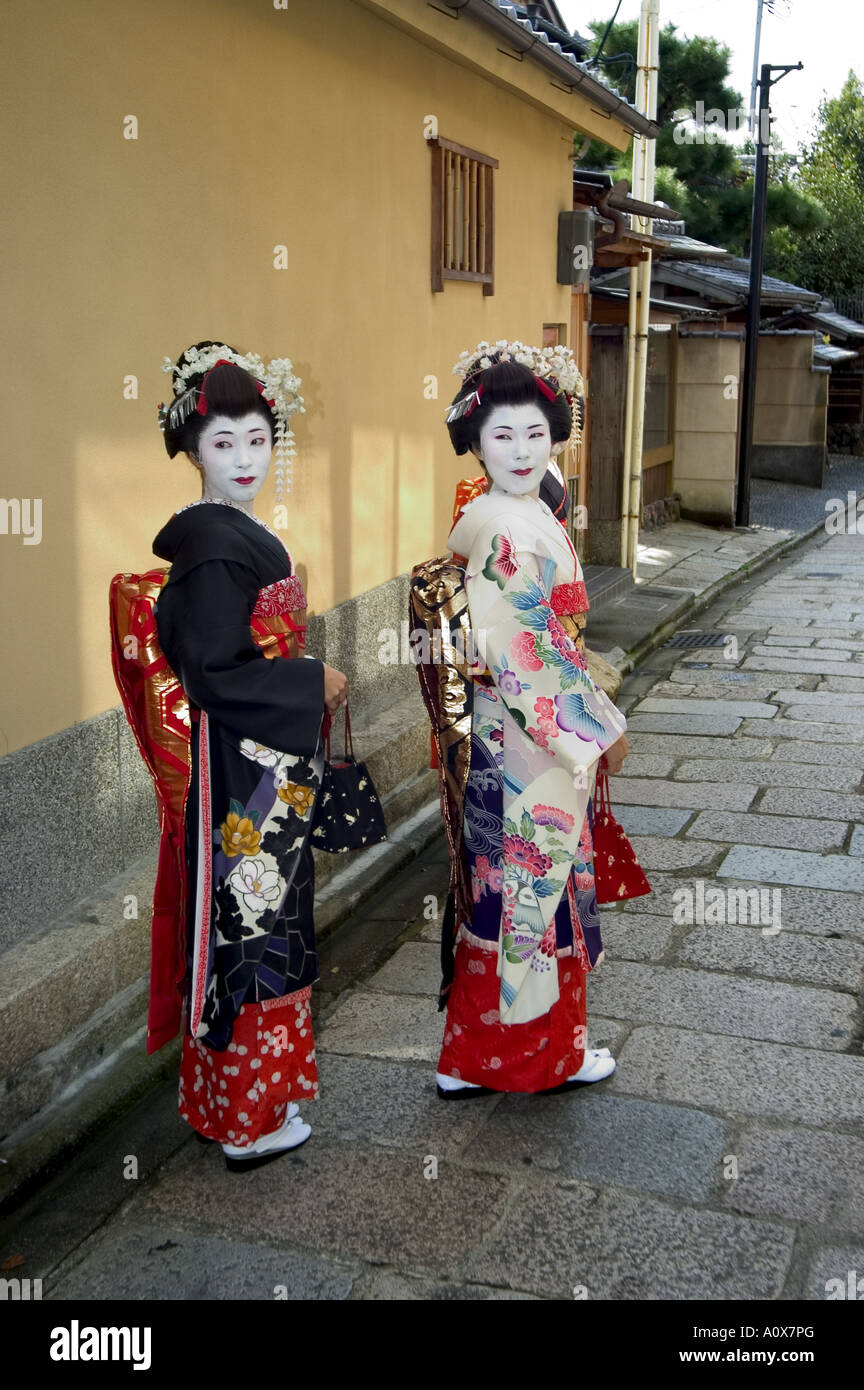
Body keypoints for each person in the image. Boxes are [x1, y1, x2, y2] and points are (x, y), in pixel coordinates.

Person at [111, 340, 348, 1170]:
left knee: (254, 921)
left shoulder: (230, 534)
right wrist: (311, 680)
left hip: (259, 760)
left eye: (257, 439)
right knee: (255, 926)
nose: (245, 458)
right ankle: (248, 1117)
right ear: (190, 450)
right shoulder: (214, 549)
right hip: (244, 770)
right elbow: (214, 671)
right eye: (223, 443)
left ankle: (229, 1106)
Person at [411, 341, 630, 1098]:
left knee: (504, 888)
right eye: (502, 435)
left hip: (509, 732)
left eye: (536, 432)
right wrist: (596, 727)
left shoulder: (520, 509)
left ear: (556, 435)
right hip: (528, 736)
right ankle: (540, 1058)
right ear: (474, 443)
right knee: (535, 889)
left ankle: (469, 1060)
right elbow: (524, 653)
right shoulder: (506, 530)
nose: (521, 448)